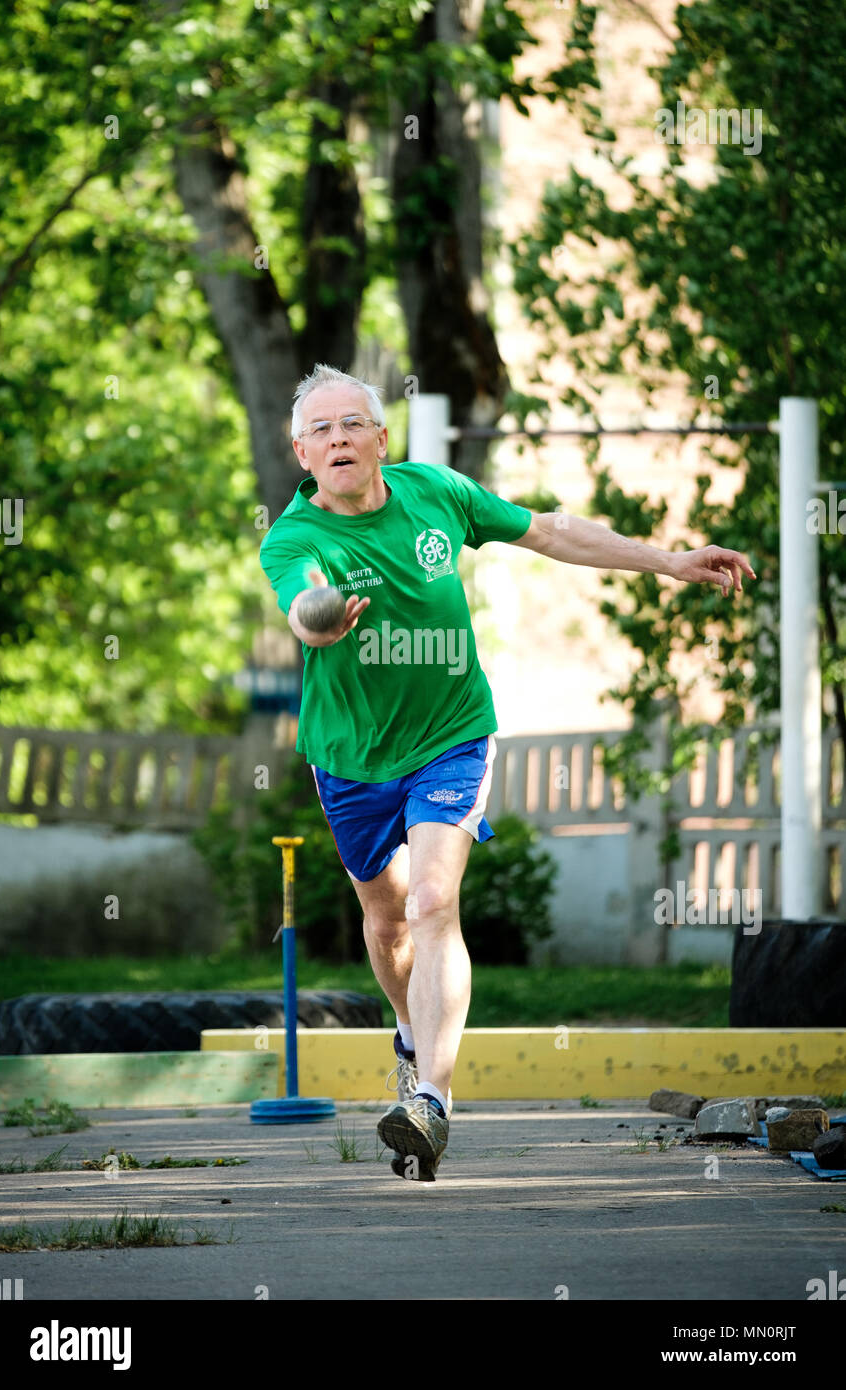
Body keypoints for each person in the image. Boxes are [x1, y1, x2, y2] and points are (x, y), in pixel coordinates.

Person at [259, 363, 755, 1182]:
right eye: (321, 430)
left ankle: (432, 1103)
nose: (339, 438)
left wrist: (667, 561)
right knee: (386, 924)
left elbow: (553, 531)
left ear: (382, 438)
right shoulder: (295, 536)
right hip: (349, 758)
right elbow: (303, 606)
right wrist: (320, 617)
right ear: (301, 453)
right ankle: (412, 1037)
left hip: (453, 735)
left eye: (354, 424)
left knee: (431, 900)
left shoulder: (439, 494)